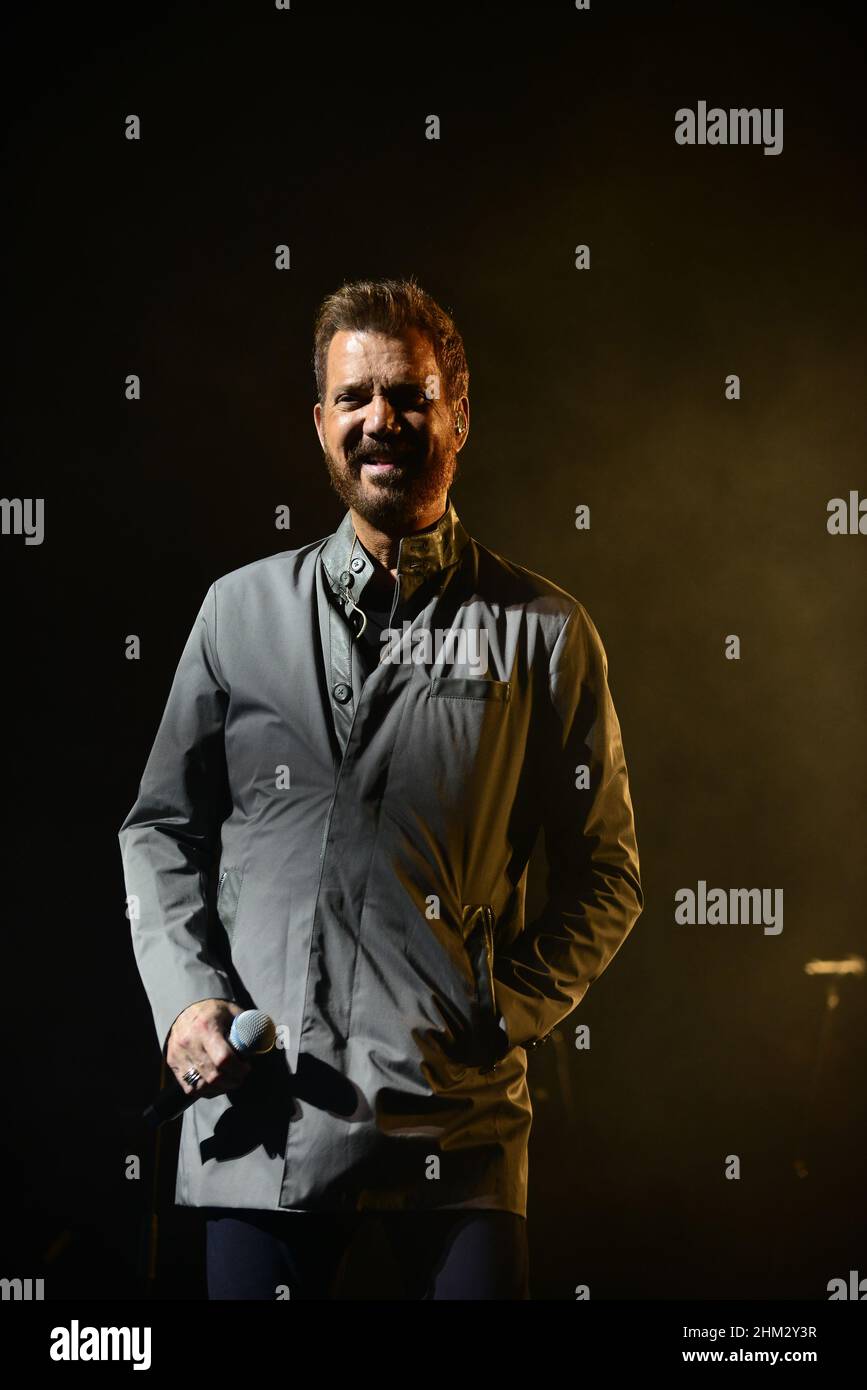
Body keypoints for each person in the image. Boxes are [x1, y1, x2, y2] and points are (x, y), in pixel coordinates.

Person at [118, 276, 644, 1299]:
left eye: (408, 395)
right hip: (262, 1127)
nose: (380, 420)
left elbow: (608, 872)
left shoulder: (544, 634)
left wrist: (501, 1008)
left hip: (459, 1135)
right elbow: (160, 829)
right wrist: (185, 1002)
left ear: (458, 414)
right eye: (353, 397)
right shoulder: (237, 613)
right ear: (319, 421)